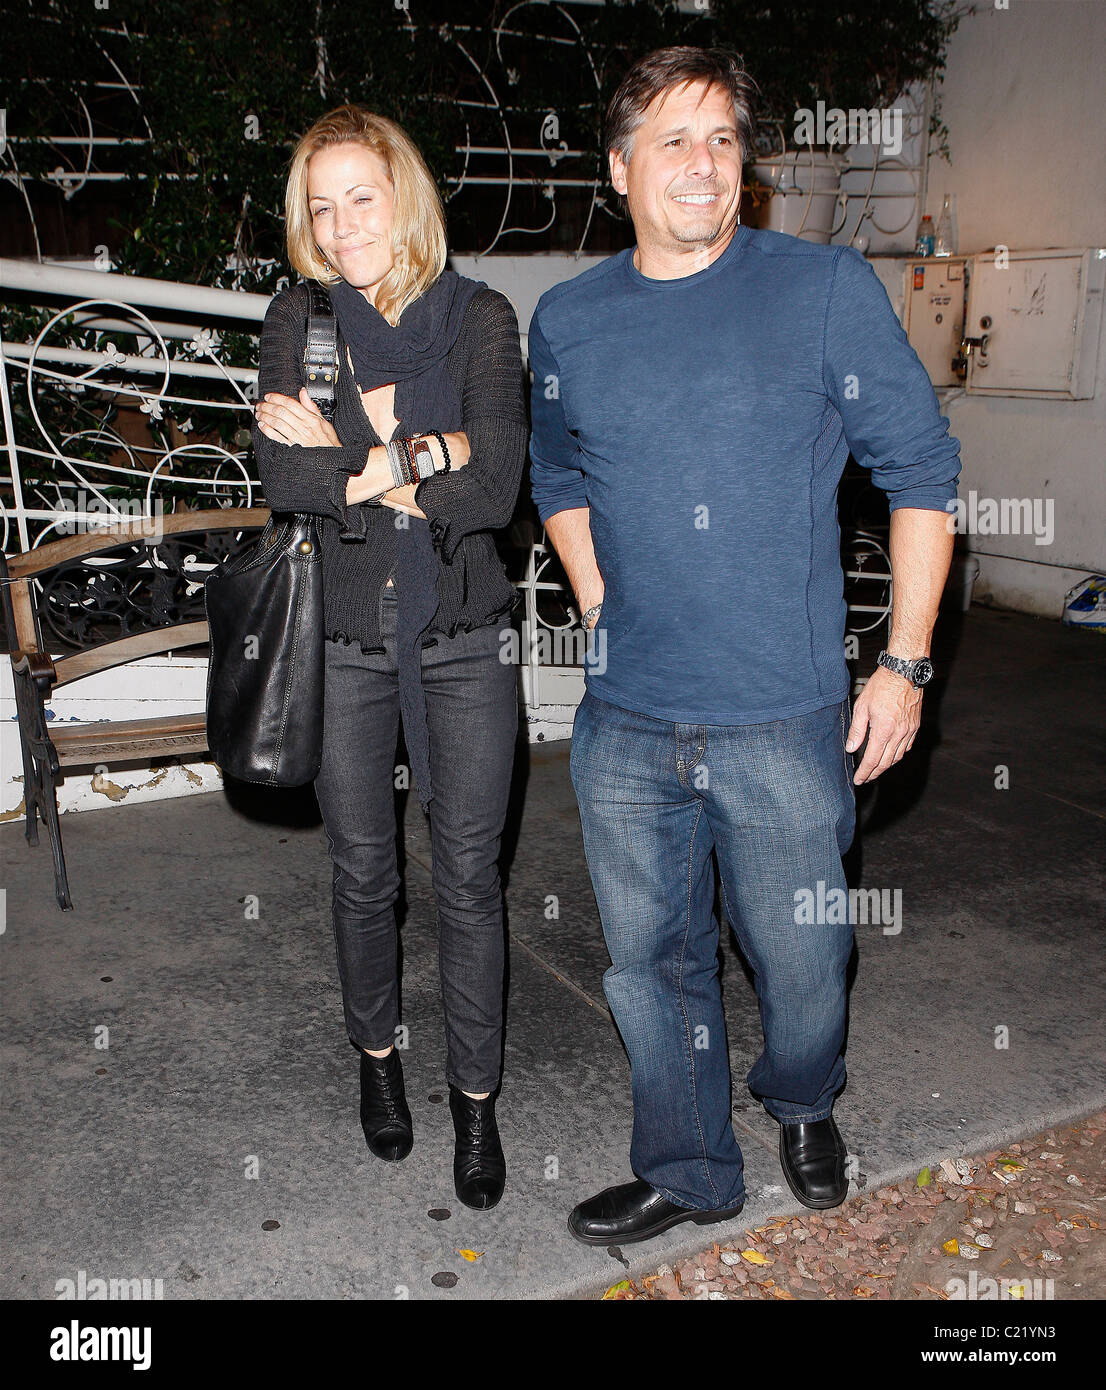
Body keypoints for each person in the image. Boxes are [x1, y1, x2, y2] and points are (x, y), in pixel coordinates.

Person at [528, 47, 960, 1246]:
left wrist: (904, 661)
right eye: (670, 140)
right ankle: (687, 1165)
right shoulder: (570, 319)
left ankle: (802, 1099)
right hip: (624, 723)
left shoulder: (818, 289)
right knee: (648, 969)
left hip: (781, 716)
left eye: (720, 138)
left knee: (804, 960)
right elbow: (553, 467)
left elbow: (919, 472)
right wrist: (595, 584)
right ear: (618, 168)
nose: (701, 164)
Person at [252, 104, 527, 1209]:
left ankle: (473, 1099)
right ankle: (379, 1063)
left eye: (361, 195)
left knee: (467, 880)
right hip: (345, 644)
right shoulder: (300, 320)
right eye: (321, 205)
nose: (341, 222)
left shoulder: (478, 320)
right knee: (362, 875)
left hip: (463, 642)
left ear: (402, 195)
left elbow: (497, 487)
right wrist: (423, 454)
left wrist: (355, 459)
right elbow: (287, 486)